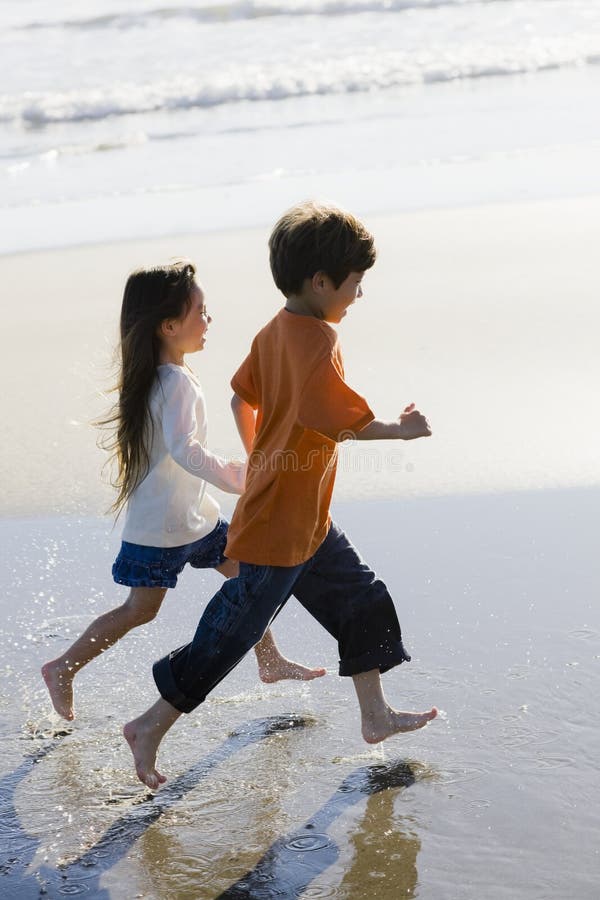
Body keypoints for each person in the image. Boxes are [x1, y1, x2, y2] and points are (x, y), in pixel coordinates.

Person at [124, 204, 438, 790]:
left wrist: (263, 455)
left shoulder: (274, 330)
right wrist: (399, 429)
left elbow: (242, 397)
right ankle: (150, 725)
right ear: (321, 282)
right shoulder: (317, 340)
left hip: (304, 514)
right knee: (234, 630)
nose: (360, 294)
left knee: (361, 596)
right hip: (278, 522)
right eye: (355, 283)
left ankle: (374, 714)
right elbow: (332, 419)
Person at [42, 260, 325, 721]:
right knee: (141, 609)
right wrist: (239, 478)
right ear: (169, 325)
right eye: (201, 312)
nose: (208, 320)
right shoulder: (173, 380)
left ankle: (268, 659)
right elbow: (185, 450)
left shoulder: (161, 375)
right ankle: (63, 668)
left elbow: (179, 451)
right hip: (164, 527)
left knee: (248, 579)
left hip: (191, 516)